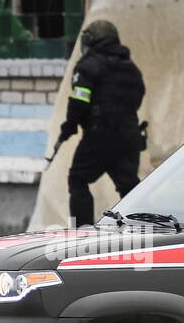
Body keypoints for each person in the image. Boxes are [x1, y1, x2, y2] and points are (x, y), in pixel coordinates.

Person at [60, 20, 145, 226]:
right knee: (129, 187)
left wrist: (70, 126)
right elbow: (139, 95)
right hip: (129, 136)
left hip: (100, 135)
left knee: (78, 179)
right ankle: (141, 230)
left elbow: (79, 100)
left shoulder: (88, 66)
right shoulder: (130, 67)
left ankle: (82, 233)